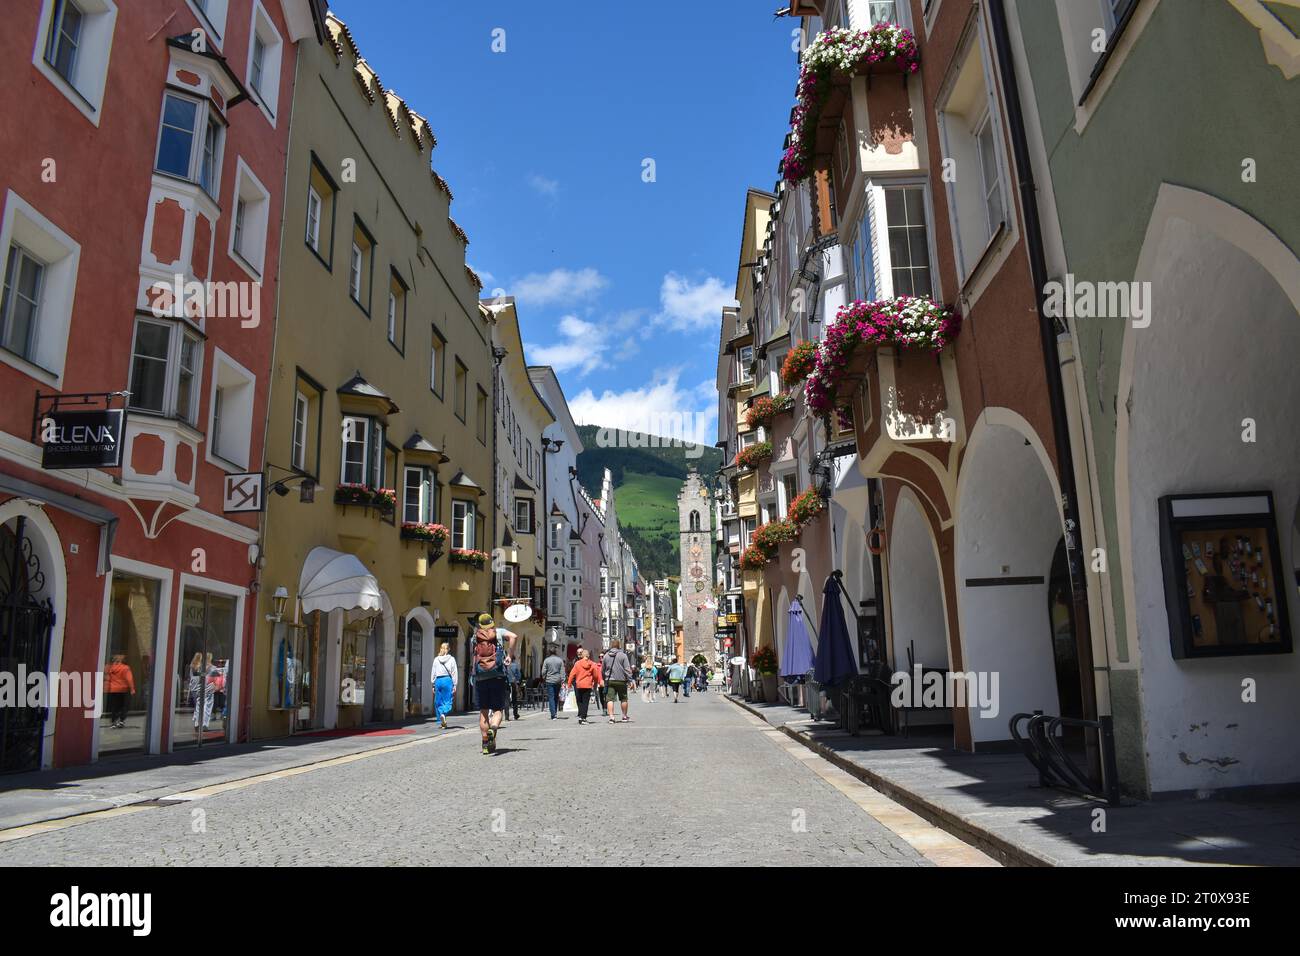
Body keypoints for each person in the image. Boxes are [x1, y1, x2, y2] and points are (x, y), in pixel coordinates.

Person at [471, 613, 518, 754]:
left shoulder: (475, 637)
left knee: (484, 711)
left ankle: (485, 744)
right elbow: (514, 636)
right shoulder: (499, 632)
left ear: (480, 624)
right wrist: (509, 655)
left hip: (480, 677)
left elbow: (473, 657)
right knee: (498, 710)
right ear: (492, 622)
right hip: (497, 676)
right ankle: (494, 728)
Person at [601, 640, 635, 723]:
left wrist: (604, 678)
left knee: (609, 699)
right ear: (619, 645)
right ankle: (624, 716)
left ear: (611, 645)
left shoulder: (606, 656)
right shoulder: (623, 655)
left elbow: (603, 669)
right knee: (623, 699)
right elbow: (627, 669)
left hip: (609, 680)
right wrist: (630, 680)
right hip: (621, 680)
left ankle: (611, 718)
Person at [565, 648, 602, 724]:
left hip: (579, 684)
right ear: (588, 656)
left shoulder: (577, 663)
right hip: (588, 685)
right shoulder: (592, 664)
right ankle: (583, 718)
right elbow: (595, 675)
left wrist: (568, 684)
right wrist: (595, 683)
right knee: (585, 702)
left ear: (582, 655)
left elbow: (572, 674)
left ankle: (580, 716)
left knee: (580, 701)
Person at [103, 654, 135, 730]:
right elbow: (129, 679)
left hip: (112, 689)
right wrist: (132, 689)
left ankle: (113, 722)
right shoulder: (125, 668)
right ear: (121, 660)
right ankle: (121, 721)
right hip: (123, 689)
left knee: (114, 706)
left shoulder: (108, 667)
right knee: (124, 706)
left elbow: (105, 677)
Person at [431, 642, 458, 729]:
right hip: (447, 680)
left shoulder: (436, 659)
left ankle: (442, 722)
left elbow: (433, 673)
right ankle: (443, 714)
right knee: (448, 700)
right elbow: (454, 672)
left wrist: (433, 685)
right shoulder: (452, 659)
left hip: (438, 681)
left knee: (438, 701)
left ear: (441, 649)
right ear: (448, 649)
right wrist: (455, 684)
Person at [541, 644, 566, 719]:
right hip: (558, 680)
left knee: (551, 697)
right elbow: (562, 671)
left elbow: (543, 671)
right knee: (556, 697)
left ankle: (553, 714)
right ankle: (554, 712)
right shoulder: (560, 660)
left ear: (549, 652)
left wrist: (545, 678)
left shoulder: (546, 660)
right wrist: (563, 680)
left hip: (549, 680)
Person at [505, 655, 523, 721]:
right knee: (514, 700)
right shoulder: (515, 665)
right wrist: (516, 680)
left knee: (506, 700)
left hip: (506, 684)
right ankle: (515, 714)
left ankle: (507, 716)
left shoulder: (505, 666)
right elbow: (519, 676)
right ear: (514, 659)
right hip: (513, 683)